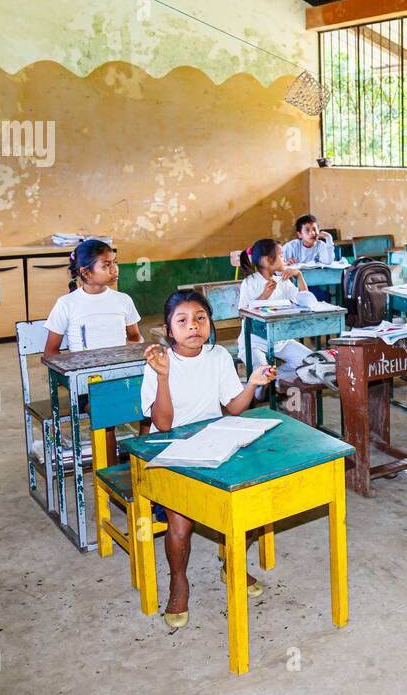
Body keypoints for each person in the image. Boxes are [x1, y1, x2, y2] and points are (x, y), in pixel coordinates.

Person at [142, 290, 276, 628]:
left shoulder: (218, 356)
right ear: (169, 329)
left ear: (210, 323)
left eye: (200, 318)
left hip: (213, 440)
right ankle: (178, 582)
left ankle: (232, 563)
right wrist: (161, 376)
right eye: (182, 321)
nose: (193, 327)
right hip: (171, 446)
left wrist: (253, 384)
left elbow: (232, 407)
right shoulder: (159, 360)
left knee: (248, 495)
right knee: (180, 521)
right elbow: (163, 424)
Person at [237, 238, 313, 397]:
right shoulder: (250, 282)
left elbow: (305, 300)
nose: (284, 259)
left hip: (280, 340)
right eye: (281, 255)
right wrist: (264, 295)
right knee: (263, 369)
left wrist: (299, 276)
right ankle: (260, 388)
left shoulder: (282, 280)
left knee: (309, 361)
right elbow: (242, 313)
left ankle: (274, 380)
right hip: (254, 343)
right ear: (267, 260)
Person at [42, 238, 141, 358]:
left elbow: (135, 337)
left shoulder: (124, 300)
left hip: (119, 370)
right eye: (106, 265)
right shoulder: (66, 304)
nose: (114, 269)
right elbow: (50, 352)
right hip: (83, 373)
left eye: (115, 262)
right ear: (86, 273)